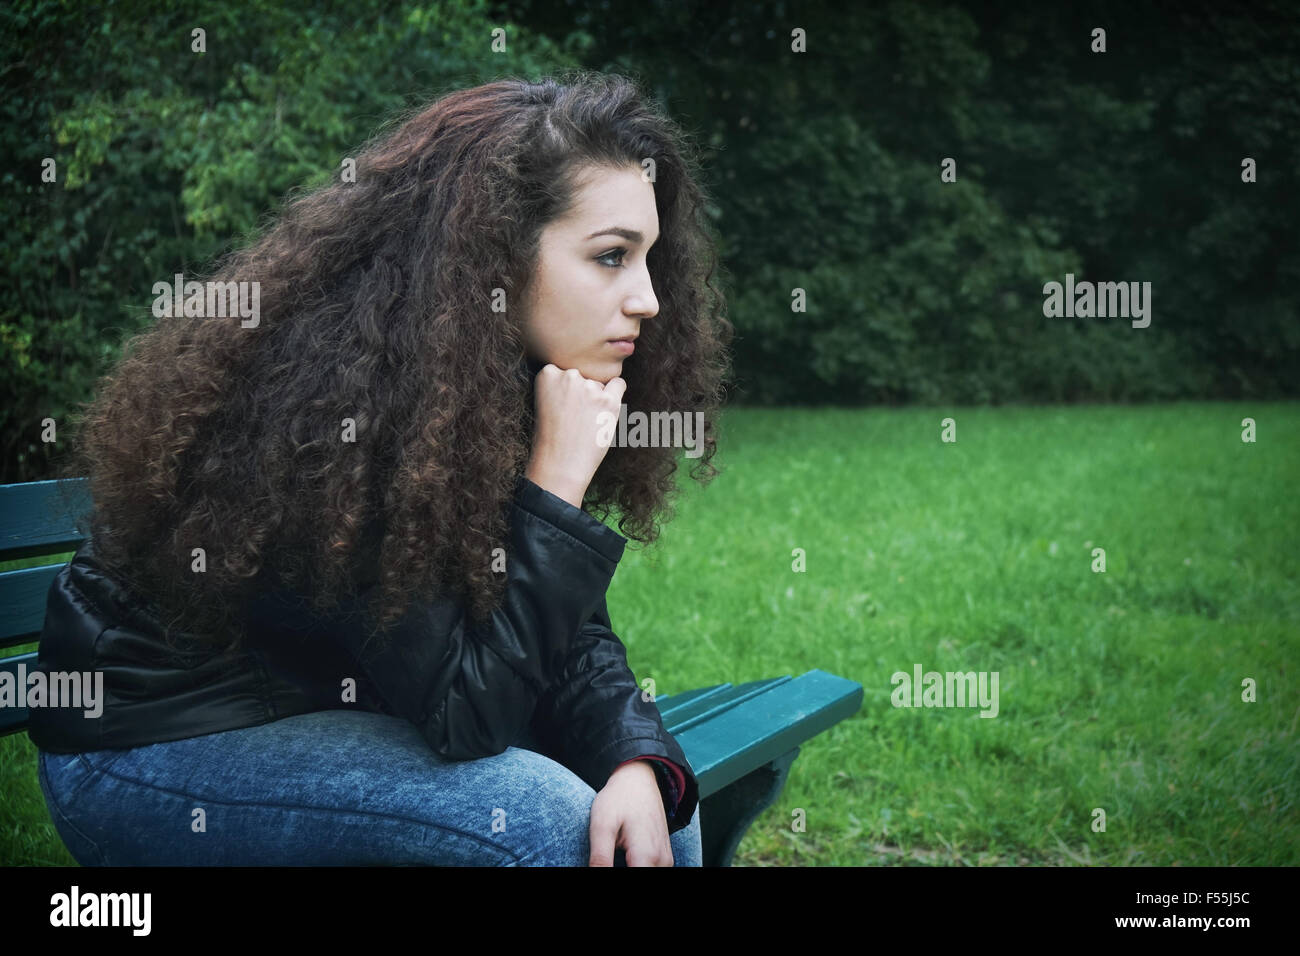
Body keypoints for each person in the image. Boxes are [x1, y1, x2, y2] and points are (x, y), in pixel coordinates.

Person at [30, 71, 733, 866]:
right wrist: (554, 490)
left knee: (657, 814)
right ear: (495, 256)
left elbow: (569, 639)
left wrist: (633, 755)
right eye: (610, 257)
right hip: (154, 747)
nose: (647, 299)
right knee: (547, 823)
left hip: (332, 707)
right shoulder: (346, 411)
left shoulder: (488, 373)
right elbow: (469, 717)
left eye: (648, 259)